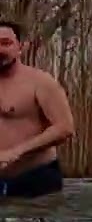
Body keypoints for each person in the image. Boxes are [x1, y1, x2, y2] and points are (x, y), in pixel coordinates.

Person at [0, 21, 75, 198]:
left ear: (21, 47)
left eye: (6, 43)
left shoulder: (40, 82)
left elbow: (64, 128)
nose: (0, 50)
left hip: (35, 177)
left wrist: (16, 152)